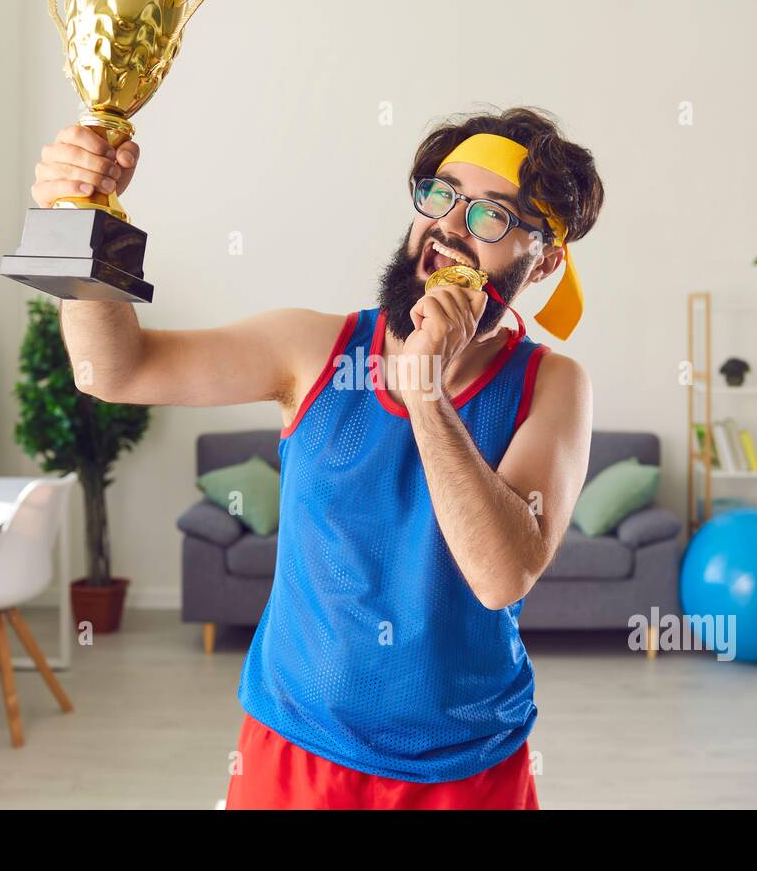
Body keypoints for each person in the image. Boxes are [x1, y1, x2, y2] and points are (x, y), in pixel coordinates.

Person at [31, 106, 603, 809]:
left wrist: (425, 394)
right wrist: (73, 217)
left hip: (467, 769)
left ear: (542, 260)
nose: (451, 227)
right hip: (295, 753)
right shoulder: (310, 352)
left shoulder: (553, 387)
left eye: (492, 216)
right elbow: (110, 372)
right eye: (443, 195)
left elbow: (501, 576)